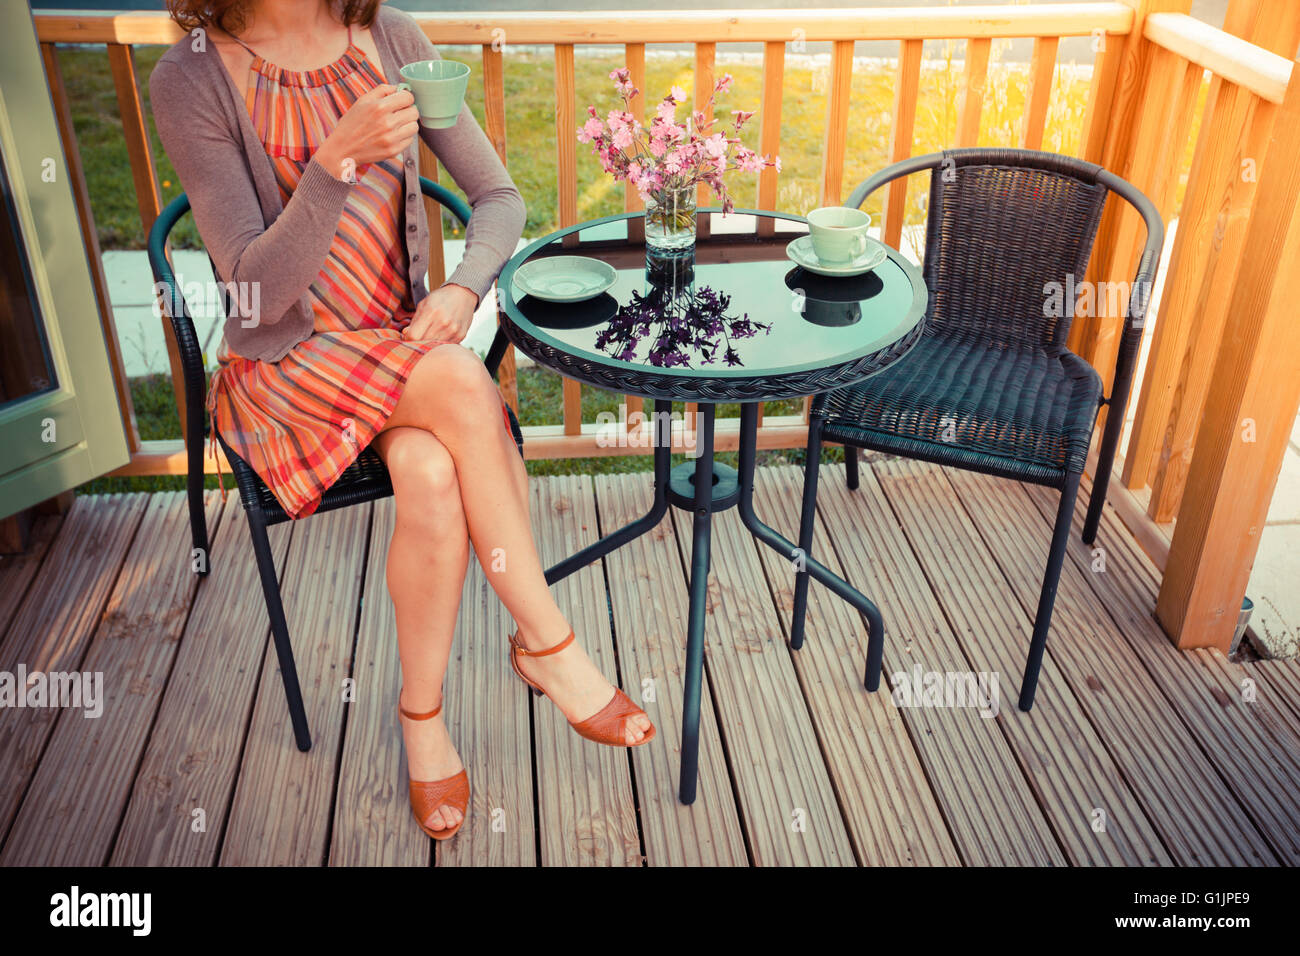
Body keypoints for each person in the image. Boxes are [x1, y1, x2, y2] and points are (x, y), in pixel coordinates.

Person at [151, 0, 653, 842]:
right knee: (459, 386)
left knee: (427, 470)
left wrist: (461, 289)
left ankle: (422, 718)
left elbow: (497, 198)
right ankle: (548, 644)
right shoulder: (193, 75)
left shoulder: (390, 39)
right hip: (286, 367)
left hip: (398, 350)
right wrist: (333, 164)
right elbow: (253, 289)